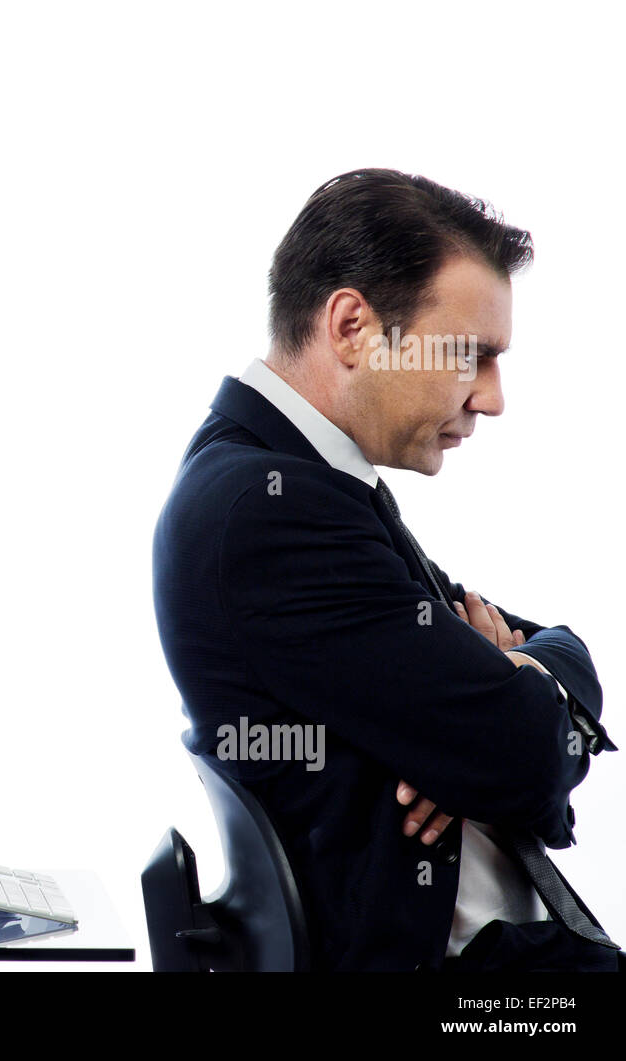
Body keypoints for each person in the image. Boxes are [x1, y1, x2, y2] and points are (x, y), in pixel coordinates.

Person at [152, 169, 619, 972]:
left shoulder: (305, 477)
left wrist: (506, 685)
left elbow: (549, 649)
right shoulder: (270, 509)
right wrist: (490, 725)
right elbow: (523, 753)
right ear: (353, 326)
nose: (493, 398)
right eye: (470, 354)